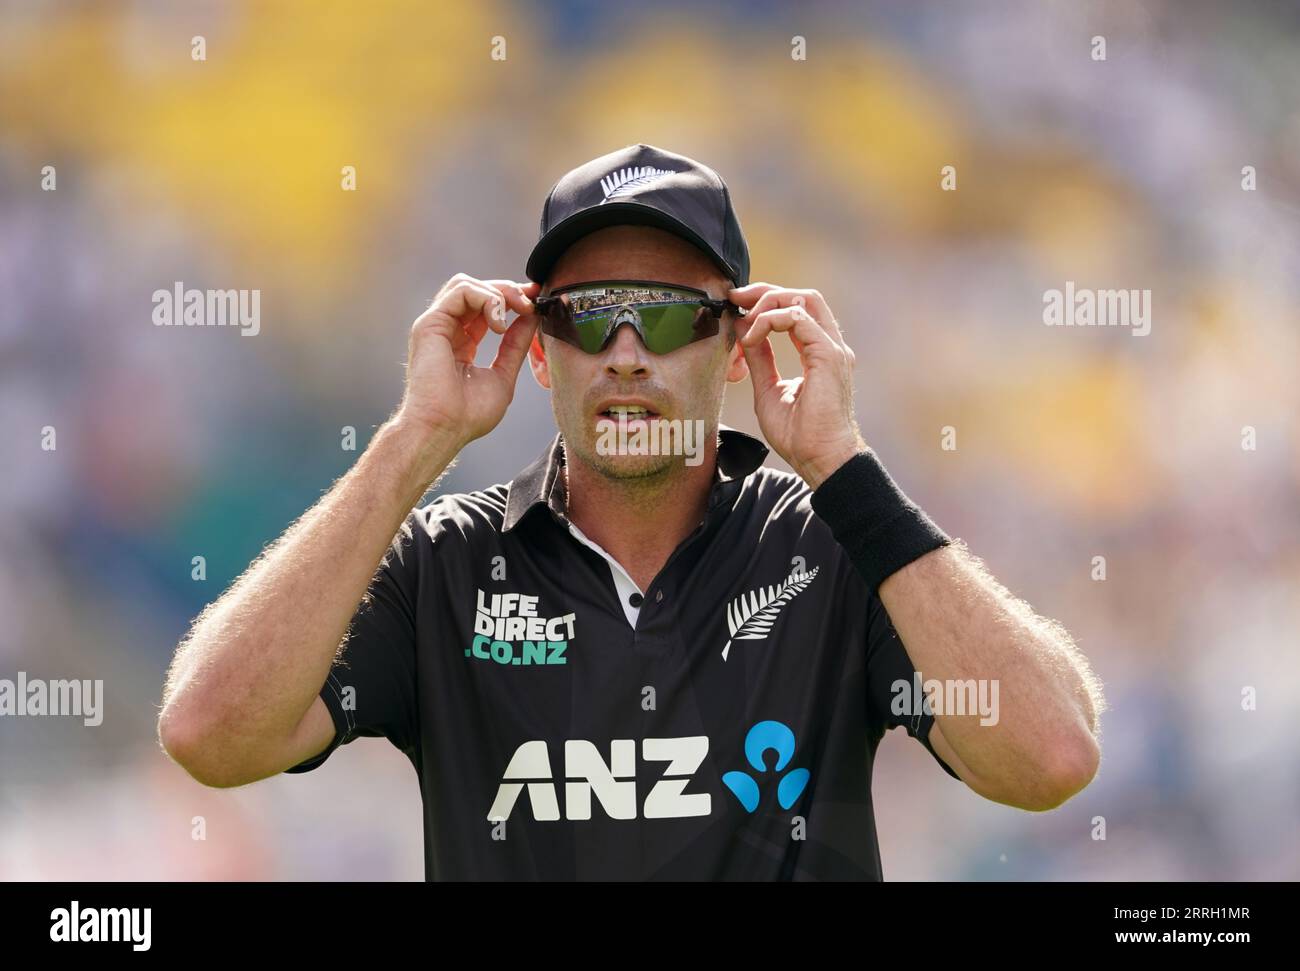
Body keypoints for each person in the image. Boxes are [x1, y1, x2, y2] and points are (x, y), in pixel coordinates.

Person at [158, 144, 1105, 880]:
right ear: (537, 351)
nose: (623, 353)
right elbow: (210, 733)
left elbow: (1050, 756)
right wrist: (415, 442)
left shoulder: (835, 546)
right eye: (584, 314)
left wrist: (840, 464)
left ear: (737, 346)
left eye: (661, 314)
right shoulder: (444, 563)